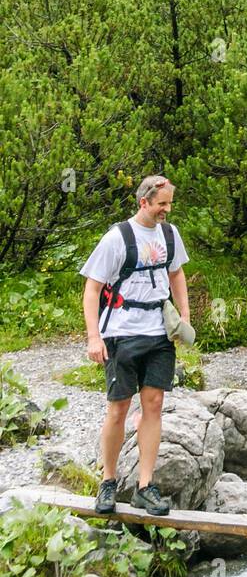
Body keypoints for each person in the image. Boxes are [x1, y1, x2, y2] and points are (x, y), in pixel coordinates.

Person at [80, 175, 191, 517]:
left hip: (159, 334)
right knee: (118, 408)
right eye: (162, 204)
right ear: (144, 202)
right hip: (122, 333)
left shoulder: (170, 234)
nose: (167, 210)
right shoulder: (117, 238)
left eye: (170, 204)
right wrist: (94, 338)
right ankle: (108, 481)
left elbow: (176, 275)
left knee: (154, 404)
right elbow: (92, 289)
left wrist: (184, 317)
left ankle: (145, 486)